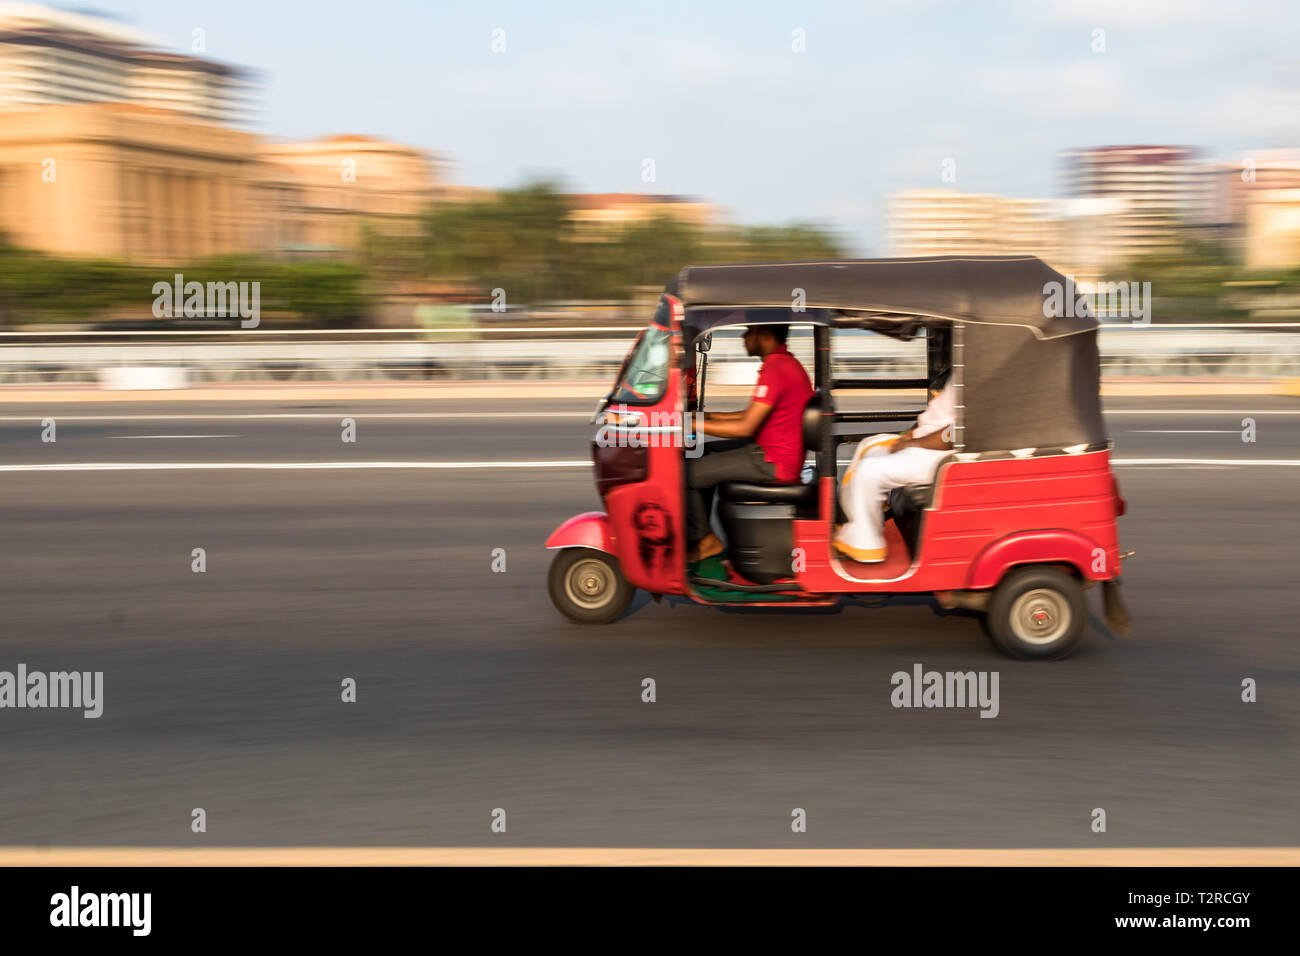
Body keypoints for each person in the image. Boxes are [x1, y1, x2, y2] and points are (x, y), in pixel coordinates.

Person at [687, 323, 813, 562]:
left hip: (771, 461)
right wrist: (702, 417)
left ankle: (705, 541)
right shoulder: (781, 363)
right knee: (698, 453)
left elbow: (746, 427)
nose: (743, 337)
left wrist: (692, 425)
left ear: (764, 335)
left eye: (748, 332)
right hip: (771, 452)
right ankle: (701, 536)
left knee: (684, 473)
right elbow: (750, 414)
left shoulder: (777, 368)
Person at [833, 371, 956, 562]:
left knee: (868, 471)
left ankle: (866, 545)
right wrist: (910, 434)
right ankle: (865, 522)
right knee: (869, 444)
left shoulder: (973, 376)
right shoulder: (961, 370)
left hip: (937, 457)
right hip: (925, 444)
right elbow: (938, 419)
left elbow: (954, 434)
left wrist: (913, 443)